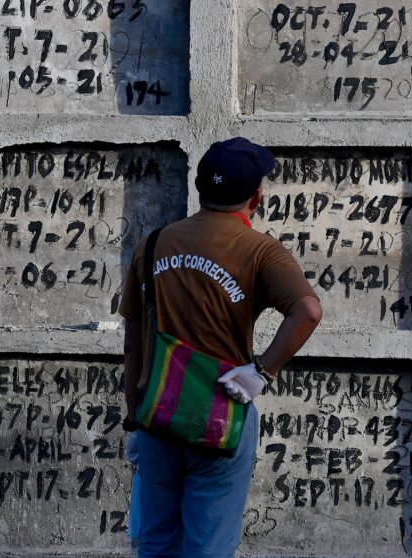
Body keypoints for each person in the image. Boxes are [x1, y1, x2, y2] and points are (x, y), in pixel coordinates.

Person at [121, 137, 323, 557]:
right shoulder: (260, 251)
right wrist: (261, 372)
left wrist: (133, 419)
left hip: (158, 414)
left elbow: (134, 344)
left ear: (199, 187)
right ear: (257, 197)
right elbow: (307, 310)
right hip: (219, 417)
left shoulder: (153, 244)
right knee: (208, 546)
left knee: (155, 542)